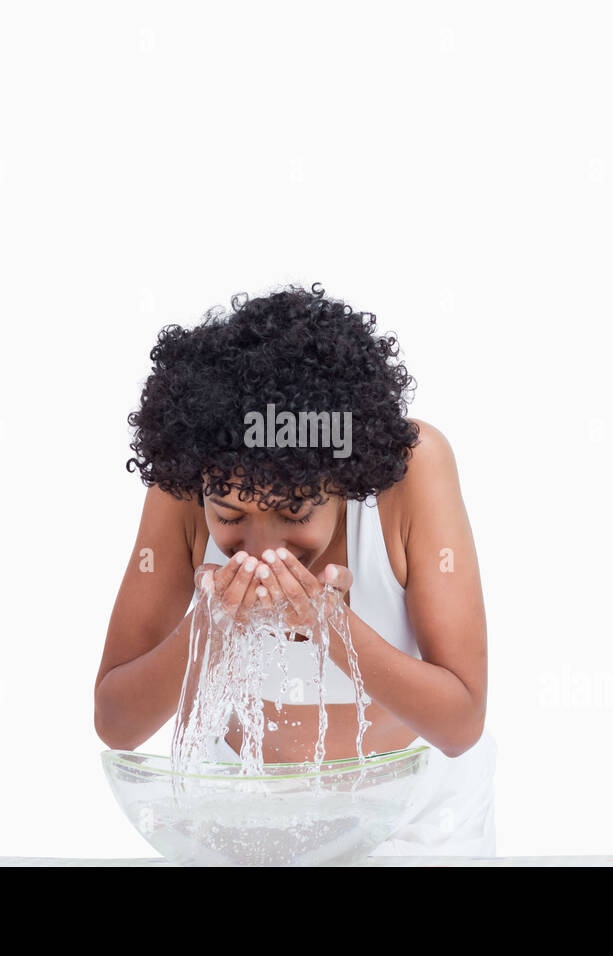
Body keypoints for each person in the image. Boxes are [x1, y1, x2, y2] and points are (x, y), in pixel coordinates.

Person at [95, 282, 497, 856]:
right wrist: (208, 630)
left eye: (294, 512)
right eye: (230, 515)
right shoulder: (188, 478)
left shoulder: (411, 474)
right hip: (240, 803)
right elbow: (116, 721)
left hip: (413, 810)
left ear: (348, 479)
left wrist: (331, 629)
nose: (260, 551)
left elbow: (460, 725)